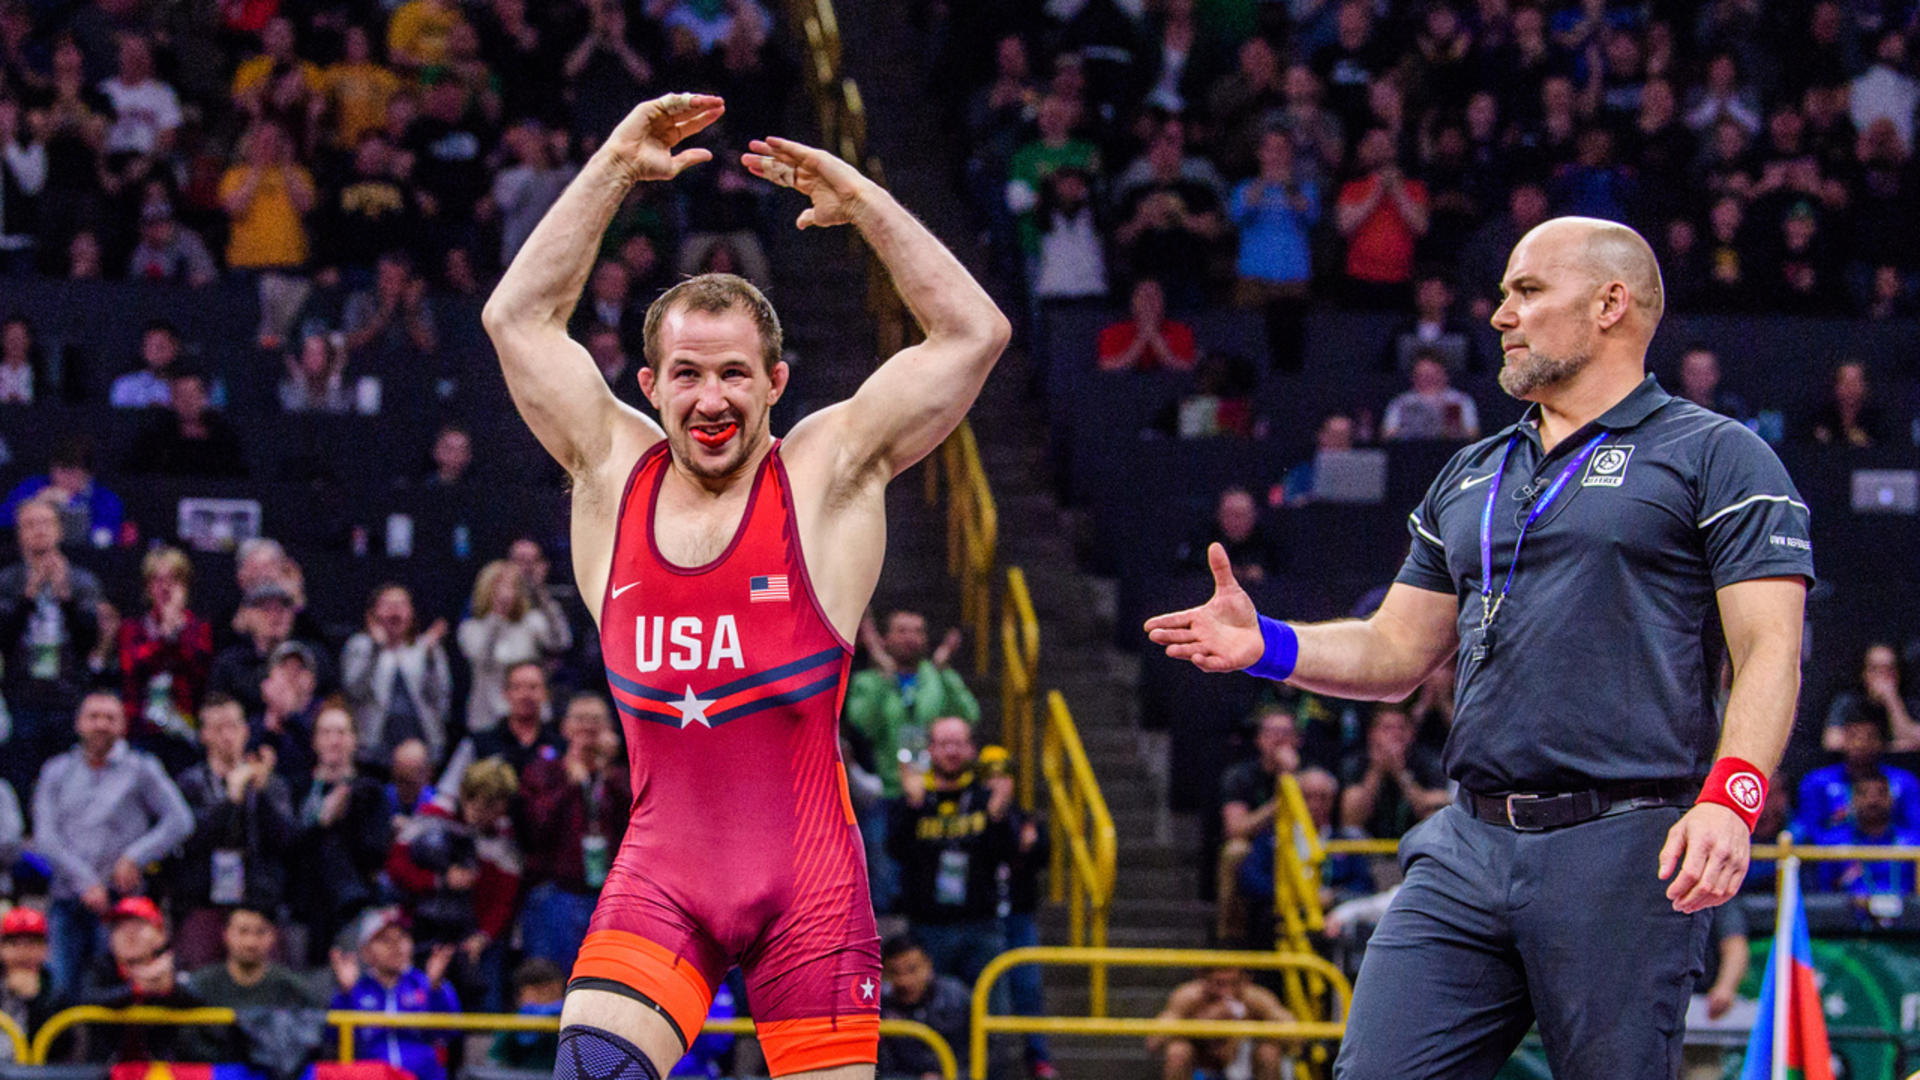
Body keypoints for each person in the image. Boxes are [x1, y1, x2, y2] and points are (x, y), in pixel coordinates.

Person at [1147, 217, 1813, 1076]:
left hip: (1620, 844)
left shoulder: (1718, 455)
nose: (1500, 315)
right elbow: (1393, 653)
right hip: (1467, 841)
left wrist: (1733, 798)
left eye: (1528, 291)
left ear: (1611, 304)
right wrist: (1266, 644)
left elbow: (1771, 649)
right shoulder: (1472, 473)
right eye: (1503, 293)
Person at [482, 91, 1008, 1079]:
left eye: (733, 375)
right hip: (660, 881)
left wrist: (864, 200)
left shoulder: (827, 471)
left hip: (809, 891)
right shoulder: (610, 472)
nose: (710, 399)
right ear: (650, 385)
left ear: (775, 380)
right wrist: (610, 166)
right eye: (686, 374)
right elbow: (516, 318)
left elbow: (973, 336)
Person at [32, 692, 193, 997]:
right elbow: (45, 837)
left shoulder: (142, 769)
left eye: (110, 718)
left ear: (123, 726)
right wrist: (85, 882)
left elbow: (181, 820)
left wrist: (136, 856)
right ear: (79, 723)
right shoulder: (56, 771)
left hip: (123, 907)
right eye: (94, 717)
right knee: (60, 991)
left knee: (118, 991)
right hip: (68, 899)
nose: (101, 725)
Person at [887, 717, 1017, 989]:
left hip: (981, 925)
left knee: (991, 1018)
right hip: (928, 927)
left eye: (959, 744)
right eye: (944, 744)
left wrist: (998, 815)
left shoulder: (986, 798)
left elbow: (1008, 856)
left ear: (971, 749)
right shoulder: (915, 798)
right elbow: (895, 851)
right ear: (931, 750)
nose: (952, 752)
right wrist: (913, 805)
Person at [169, 695, 295, 968]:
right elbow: (189, 839)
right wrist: (230, 801)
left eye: (233, 727)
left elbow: (285, 841)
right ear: (204, 735)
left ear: (246, 731)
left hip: (259, 905)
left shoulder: (270, 784)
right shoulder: (188, 784)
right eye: (218, 728)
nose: (228, 736)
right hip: (204, 901)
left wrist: (260, 795)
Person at [0, 495, 104, 797]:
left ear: (60, 530)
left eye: (45, 523)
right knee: (20, 782)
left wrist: (66, 598)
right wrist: (27, 598)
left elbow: (89, 642)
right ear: (19, 534)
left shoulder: (82, 581)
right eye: (30, 524)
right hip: (21, 696)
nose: (38, 530)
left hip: (68, 696)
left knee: (68, 784)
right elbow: (2, 639)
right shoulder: (7, 581)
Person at [518, 693, 629, 973]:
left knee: (607, 981)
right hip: (557, 895)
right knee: (554, 979)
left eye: (596, 720)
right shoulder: (543, 772)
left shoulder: (622, 777)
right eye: (581, 719)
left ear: (611, 729)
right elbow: (534, 830)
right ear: (565, 728)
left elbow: (638, 822)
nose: (588, 727)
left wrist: (606, 772)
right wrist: (569, 785)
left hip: (611, 897)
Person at [330, 907, 459, 1080]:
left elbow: (448, 1034)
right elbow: (333, 1039)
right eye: (385, 940)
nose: (396, 946)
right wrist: (346, 994)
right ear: (366, 951)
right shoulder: (357, 989)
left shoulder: (426, 984)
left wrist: (436, 989)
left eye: (402, 938)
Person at [342, 583, 453, 765]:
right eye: (387, 605)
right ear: (373, 614)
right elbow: (354, 691)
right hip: (373, 747)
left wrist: (431, 659)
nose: (395, 611)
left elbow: (441, 699)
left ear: (412, 613)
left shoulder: (426, 648)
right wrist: (375, 650)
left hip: (422, 746)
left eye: (401, 605)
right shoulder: (360, 646)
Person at [459, 559, 566, 734]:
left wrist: (542, 596)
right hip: (489, 719)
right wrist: (497, 616)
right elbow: (483, 661)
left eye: (512, 586)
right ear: (486, 589)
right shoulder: (471, 628)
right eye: (499, 585)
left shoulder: (531, 622)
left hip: (532, 719)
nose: (506, 592)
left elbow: (560, 642)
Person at [1147, 967, 1292, 1080]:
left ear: (1245, 981)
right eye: (1219, 983)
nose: (1226, 992)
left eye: (1233, 983)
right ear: (1204, 981)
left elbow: (1296, 1039)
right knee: (1178, 1051)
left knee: (1269, 1052)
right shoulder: (1189, 998)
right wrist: (1201, 1024)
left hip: (1244, 1061)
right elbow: (1153, 1043)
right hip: (1202, 1060)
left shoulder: (1257, 999)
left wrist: (1251, 1028)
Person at [874, 937, 968, 1080]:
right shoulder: (879, 1007)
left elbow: (988, 1054)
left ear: (928, 965)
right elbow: (880, 1070)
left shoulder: (956, 997)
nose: (904, 981)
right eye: (895, 972)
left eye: (912, 970)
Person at [1823, 642, 1920, 752]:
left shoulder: (1911, 703)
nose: (1882, 675)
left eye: (1889, 669)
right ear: (1864, 674)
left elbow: (1916, 740)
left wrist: (1892, 700)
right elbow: (1832, 742)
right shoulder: (1849, 702)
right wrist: (1888, 747)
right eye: (1875, 669)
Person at [1380, 353, 1480, 441]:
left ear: (1445, 375)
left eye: (1433, 375)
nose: (1428, 380)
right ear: (1413, 378)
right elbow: (1387, 435)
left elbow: (1473, 434)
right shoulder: (1401, 402)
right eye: (1422, 375)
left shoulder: (1460, 400)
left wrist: (1454, 432)